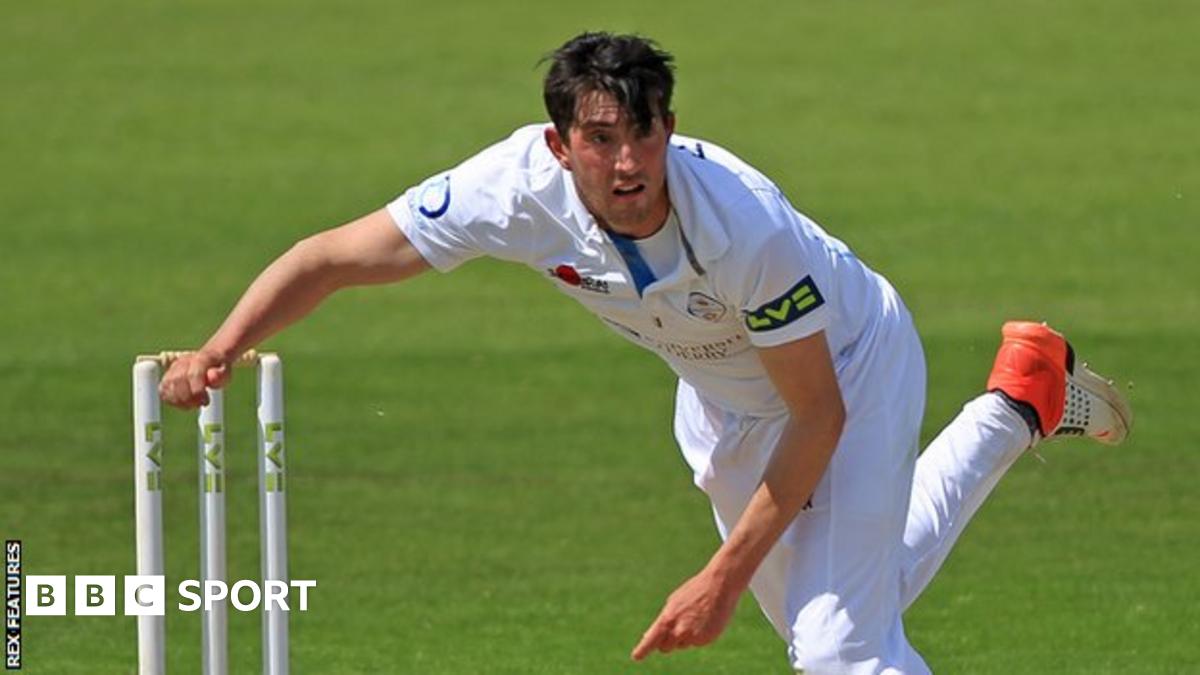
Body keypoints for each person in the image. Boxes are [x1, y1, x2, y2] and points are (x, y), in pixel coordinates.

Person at [157, 32, 1132, 674]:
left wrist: (720, 578)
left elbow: (819, 414)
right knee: (849, 599)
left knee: (841, 648)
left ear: (670, 126)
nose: (627, 164)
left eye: (645, 133)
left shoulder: (742, 229)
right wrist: (223, 346)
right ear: (559, 145)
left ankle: (1016, 406)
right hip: (719, 403)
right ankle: (1021, 399)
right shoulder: (510, 190)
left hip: (849, 372)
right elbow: (332, 258)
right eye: (601, 138)